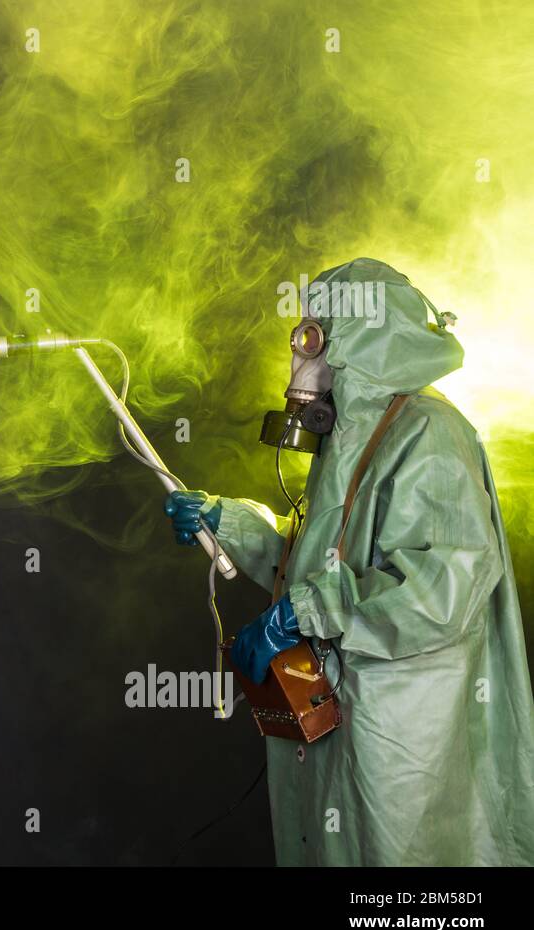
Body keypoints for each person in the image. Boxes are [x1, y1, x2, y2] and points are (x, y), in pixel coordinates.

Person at [165, 257, 534, 865]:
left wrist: (299, 616)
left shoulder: (429, 434)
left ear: (363, 337)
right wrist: (224, 520)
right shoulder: (349, 437)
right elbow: (318, 559)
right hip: (337, 712)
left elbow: (443, 588)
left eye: (313, 335)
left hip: (401, 730)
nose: (300, 355)